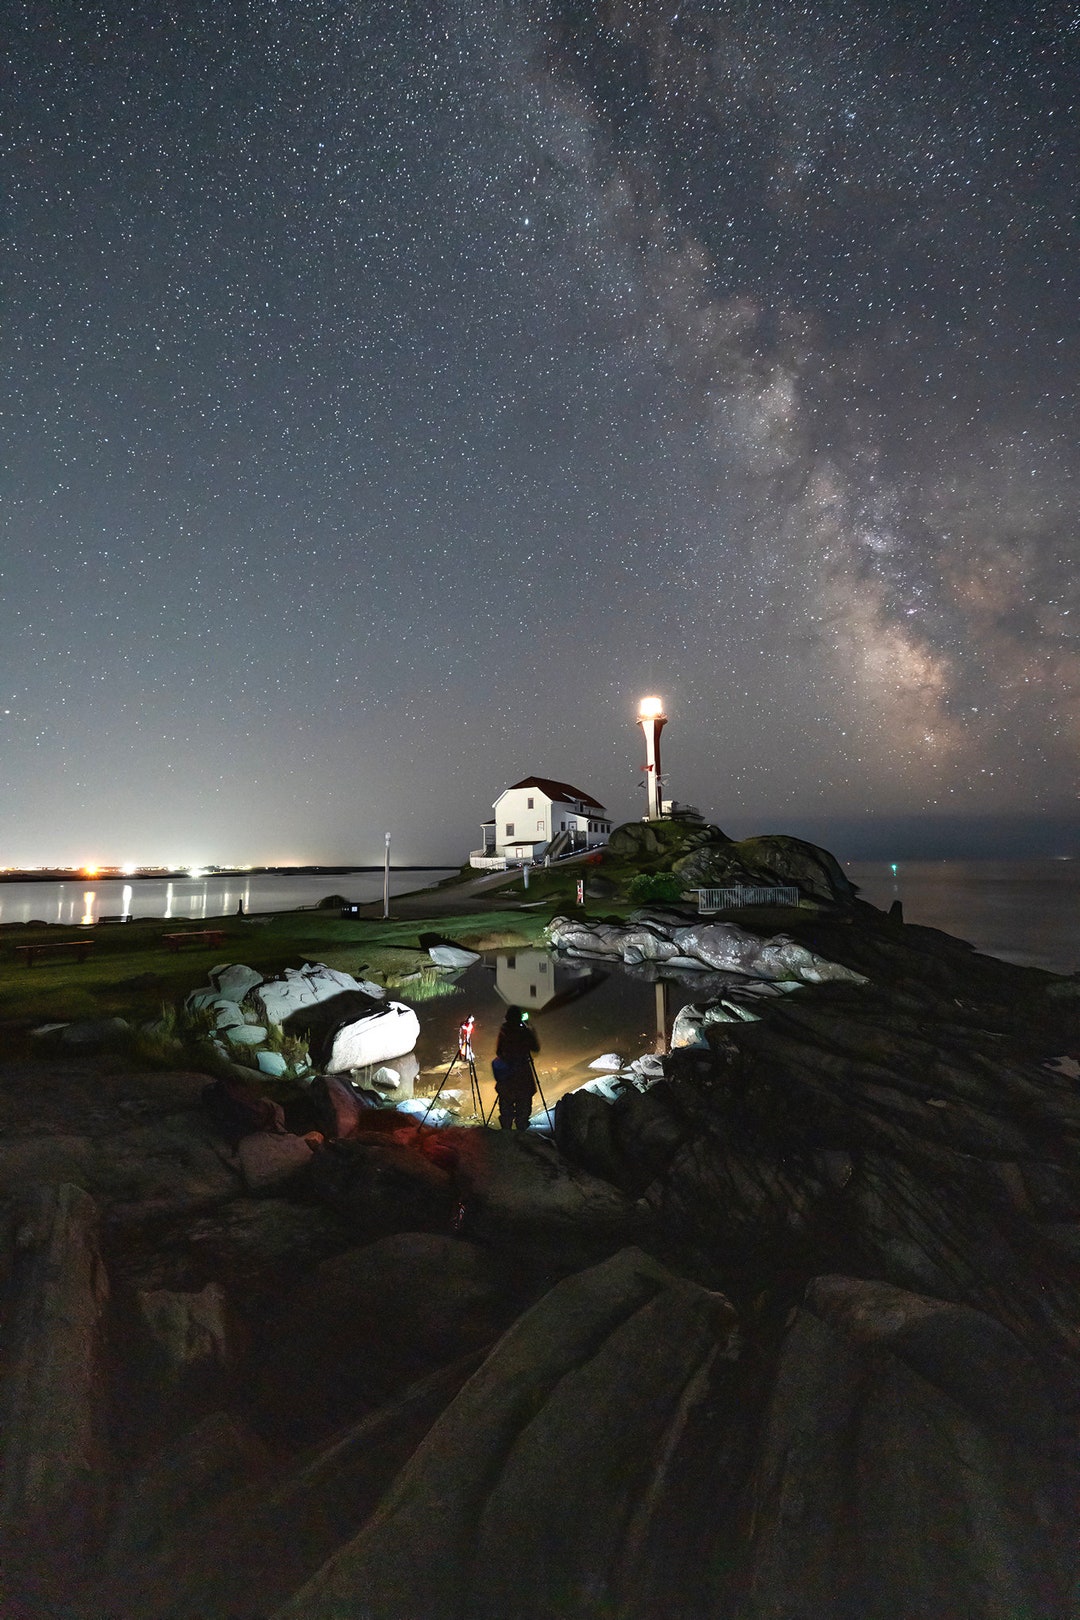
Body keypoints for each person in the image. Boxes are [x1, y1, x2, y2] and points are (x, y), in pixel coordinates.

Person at [493, 1005, 539, 1131]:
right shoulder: (524, 1032)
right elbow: (535, 1048)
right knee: (523, 1108)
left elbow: (498, 1051)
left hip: (507, 1076)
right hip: (523, 1074)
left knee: (506, 1107)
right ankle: (521, 1133)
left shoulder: (504, 1031)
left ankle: (506, 1133)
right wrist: (530, 1029)